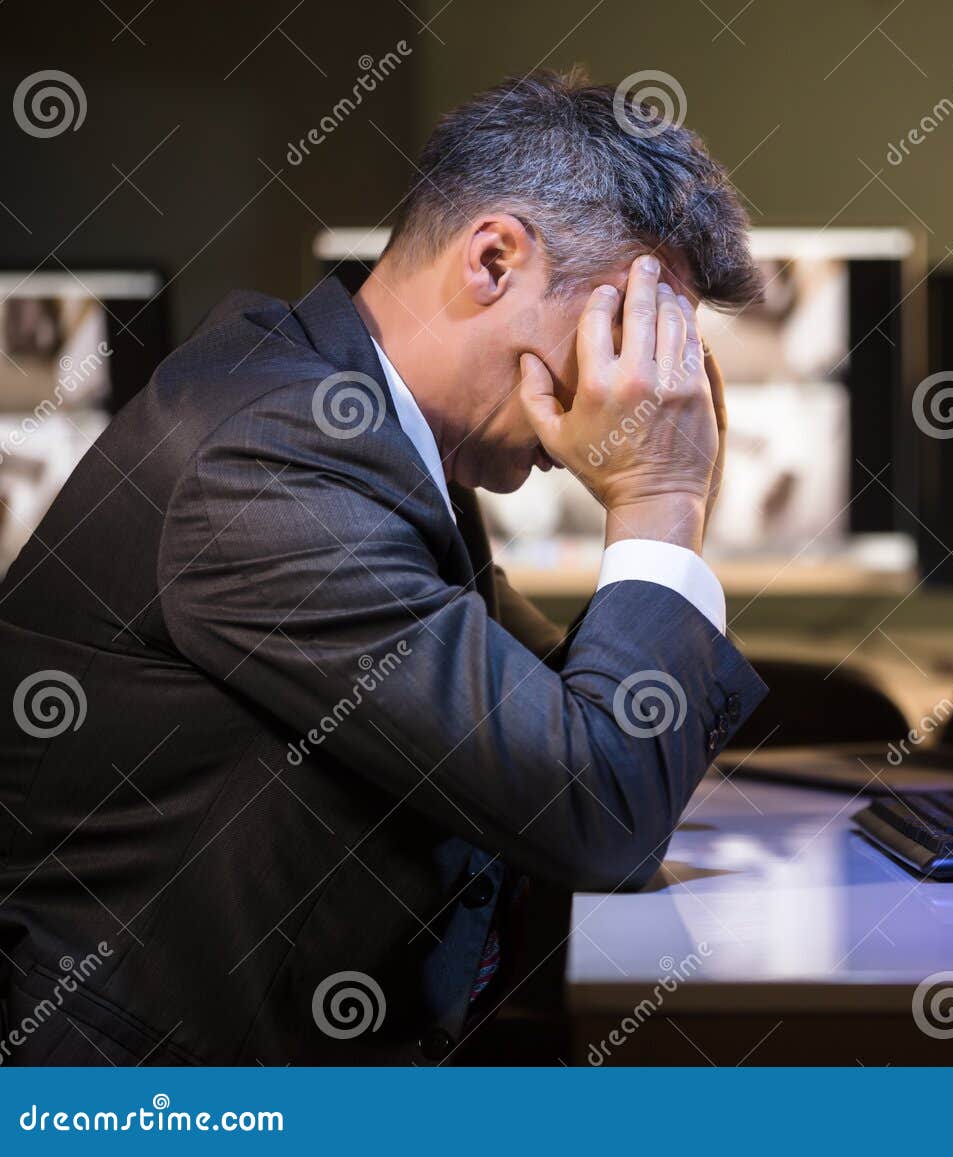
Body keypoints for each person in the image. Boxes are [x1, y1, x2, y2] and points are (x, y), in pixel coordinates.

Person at [0, 70, 766, 1065]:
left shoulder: (366, 429)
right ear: (493, 258)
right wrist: (660, 498)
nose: (644, 379)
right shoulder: (265, 462)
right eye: (629, 325)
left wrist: (666, 505)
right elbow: (595, 806)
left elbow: (581, 746)